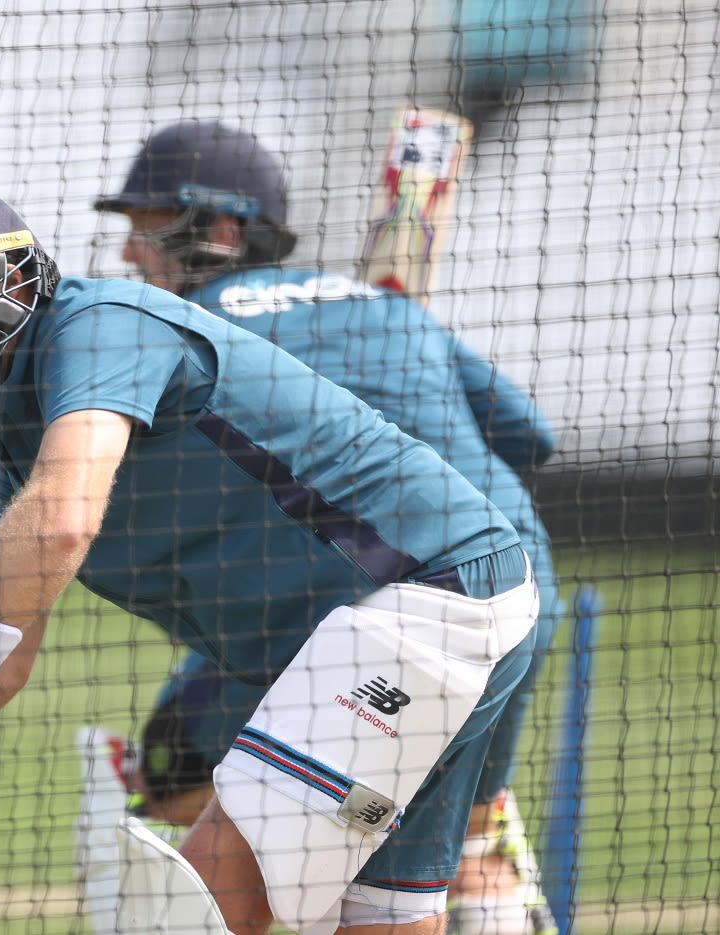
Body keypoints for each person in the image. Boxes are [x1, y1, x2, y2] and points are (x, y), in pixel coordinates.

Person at [0, 178, 539, 935]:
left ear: (5, 277)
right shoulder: (21, 445)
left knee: (199, 903)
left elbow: (61, 523)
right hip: (408, 618)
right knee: (380, 917)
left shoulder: (100, 326)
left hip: (428, 591)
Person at [83, 120, 563, 935]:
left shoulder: (189, 336)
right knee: (456, 843)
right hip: (517, 592)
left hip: (355, 616)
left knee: (178, 786)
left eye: (147, 226)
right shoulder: (390, 311)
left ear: (220, 230)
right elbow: (532, 437)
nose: (130, 252)